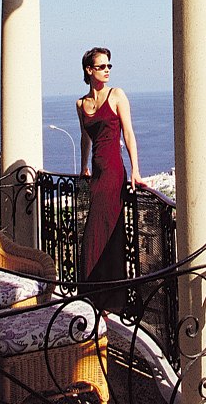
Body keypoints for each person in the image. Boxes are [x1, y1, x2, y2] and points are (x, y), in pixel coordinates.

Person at [75, 46, 141, 310]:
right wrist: (83, 167)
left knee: (104, 233)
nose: (107, 70)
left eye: (109, 66)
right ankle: (96, 298)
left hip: (114, 172)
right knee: (98, 234)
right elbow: (84, 137)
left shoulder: (117, 96)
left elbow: (128, 133)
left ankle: (105, 300)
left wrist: (135, 170)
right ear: (89, 70)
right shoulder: (81, 104)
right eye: (101, 66)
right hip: (97, 173)